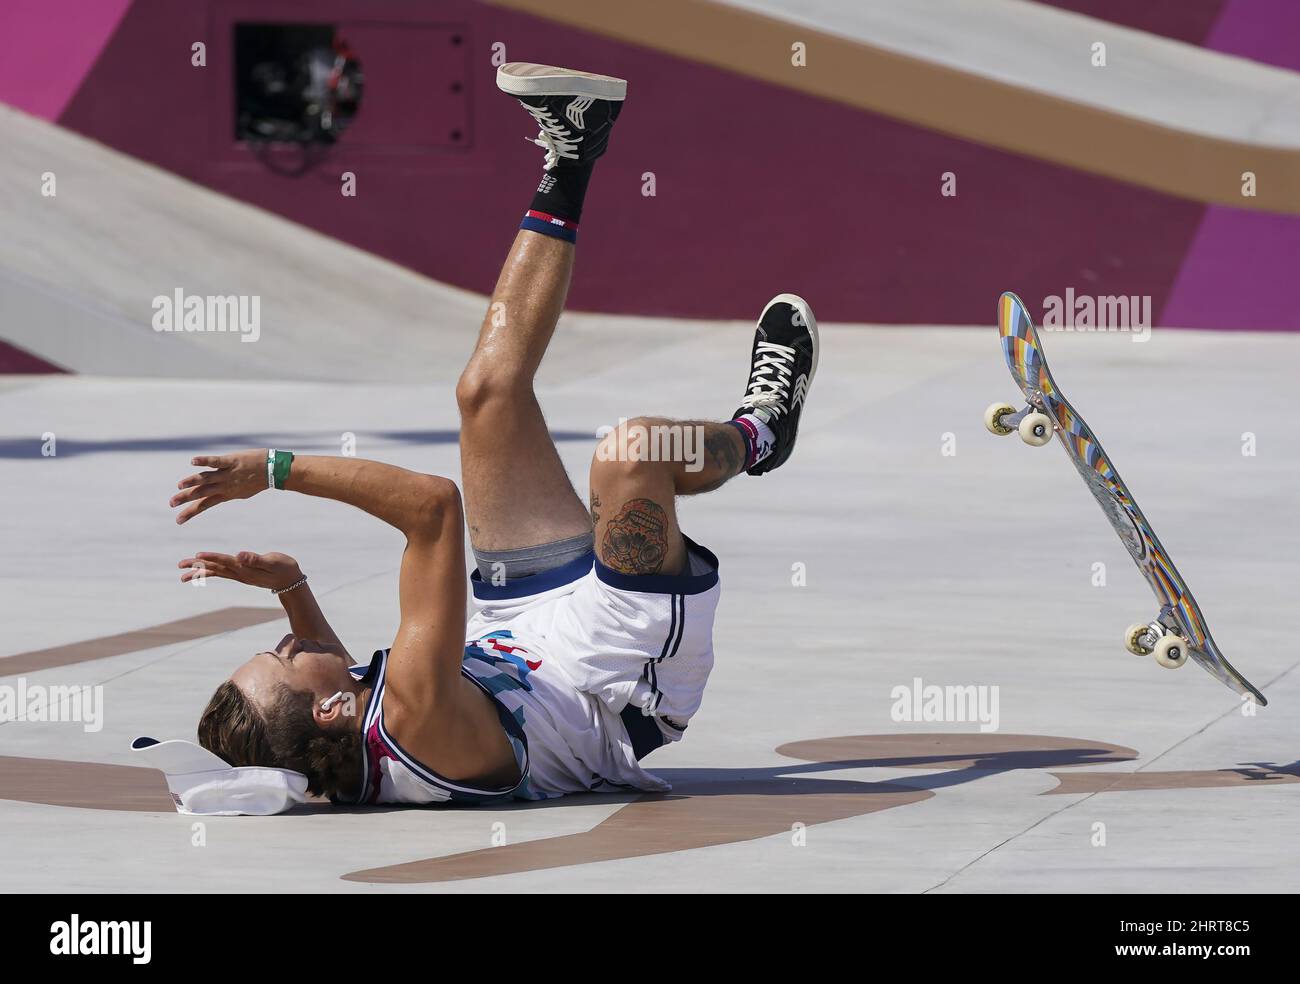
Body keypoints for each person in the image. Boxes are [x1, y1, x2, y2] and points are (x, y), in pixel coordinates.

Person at [170, 62, 819, 805]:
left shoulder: (356, 745)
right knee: (635, 453)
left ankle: (576, 145)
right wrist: (276, 469)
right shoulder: (419, 720)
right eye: (279, 658)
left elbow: (350, 684)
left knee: (486, 395)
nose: (283, 643)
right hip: (614, 672)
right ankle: (761, 428)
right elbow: (432, 509)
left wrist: (291, 588)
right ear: (327, 709)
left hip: (520, 631)